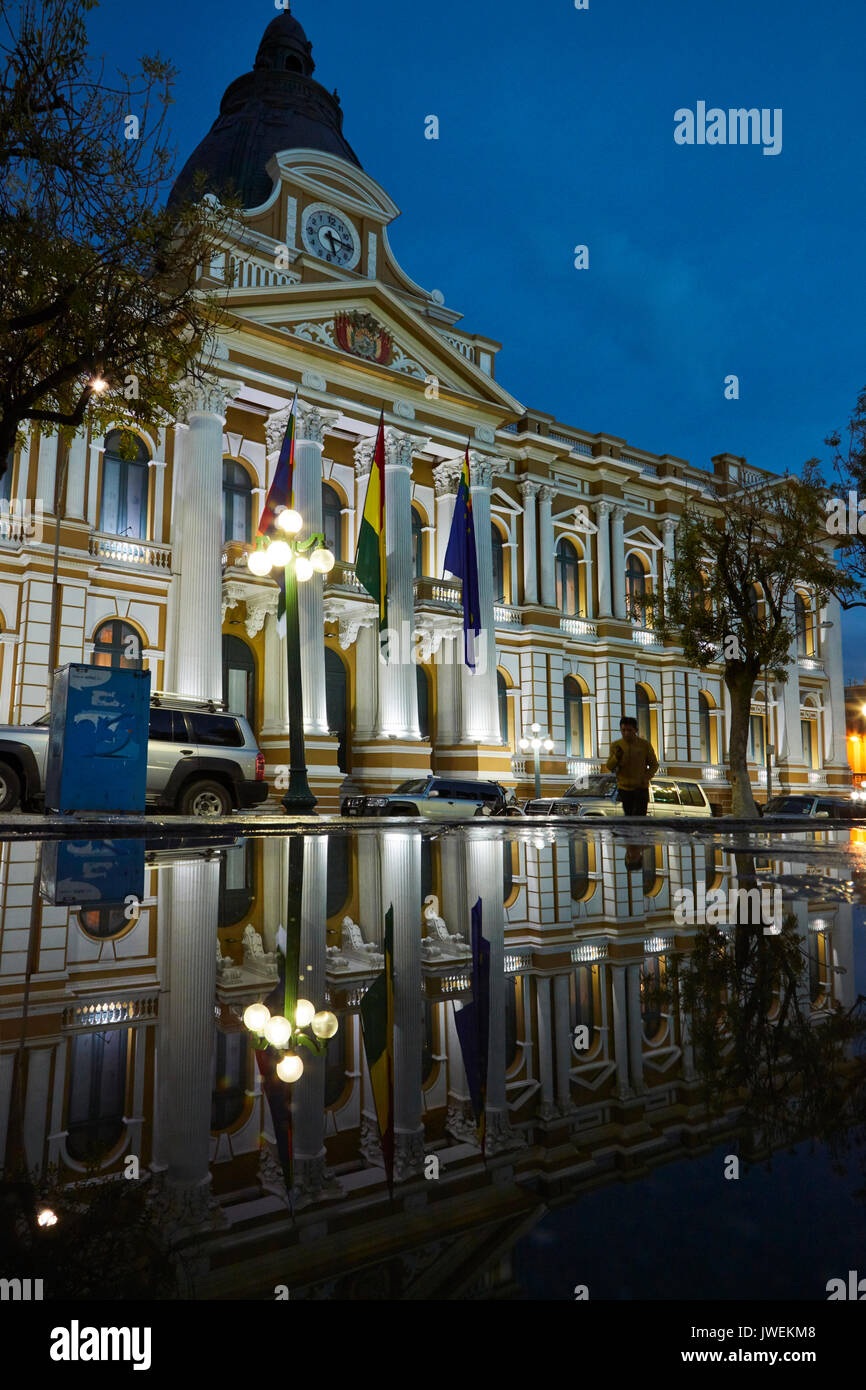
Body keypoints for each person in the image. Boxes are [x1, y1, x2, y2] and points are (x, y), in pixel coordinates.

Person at [605, 716, 659, 816]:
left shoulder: (644, 745)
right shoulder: (616, 745)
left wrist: (645, 778)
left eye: (629, 730)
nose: (626, 733)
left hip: (640, 788)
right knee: (628, 816)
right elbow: (610, 766)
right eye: (623, 730)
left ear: (636, 730)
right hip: (624, 789)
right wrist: (616, 757)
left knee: (639, 817)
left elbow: (654, 765)